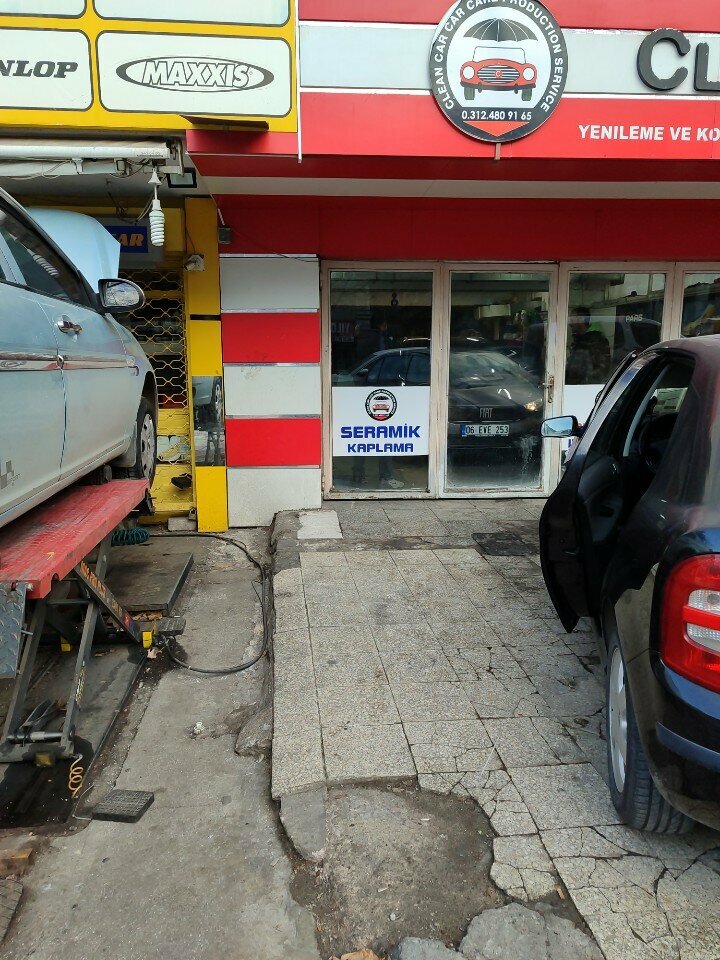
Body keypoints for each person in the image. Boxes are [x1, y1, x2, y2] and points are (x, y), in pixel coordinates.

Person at [566, 306, 611, 384]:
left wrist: (582, 384)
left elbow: (602, 369)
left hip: (585, 389)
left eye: (572, 319)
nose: (570, 323)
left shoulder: (596, 341)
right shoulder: (579, 339)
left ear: (582, 319)